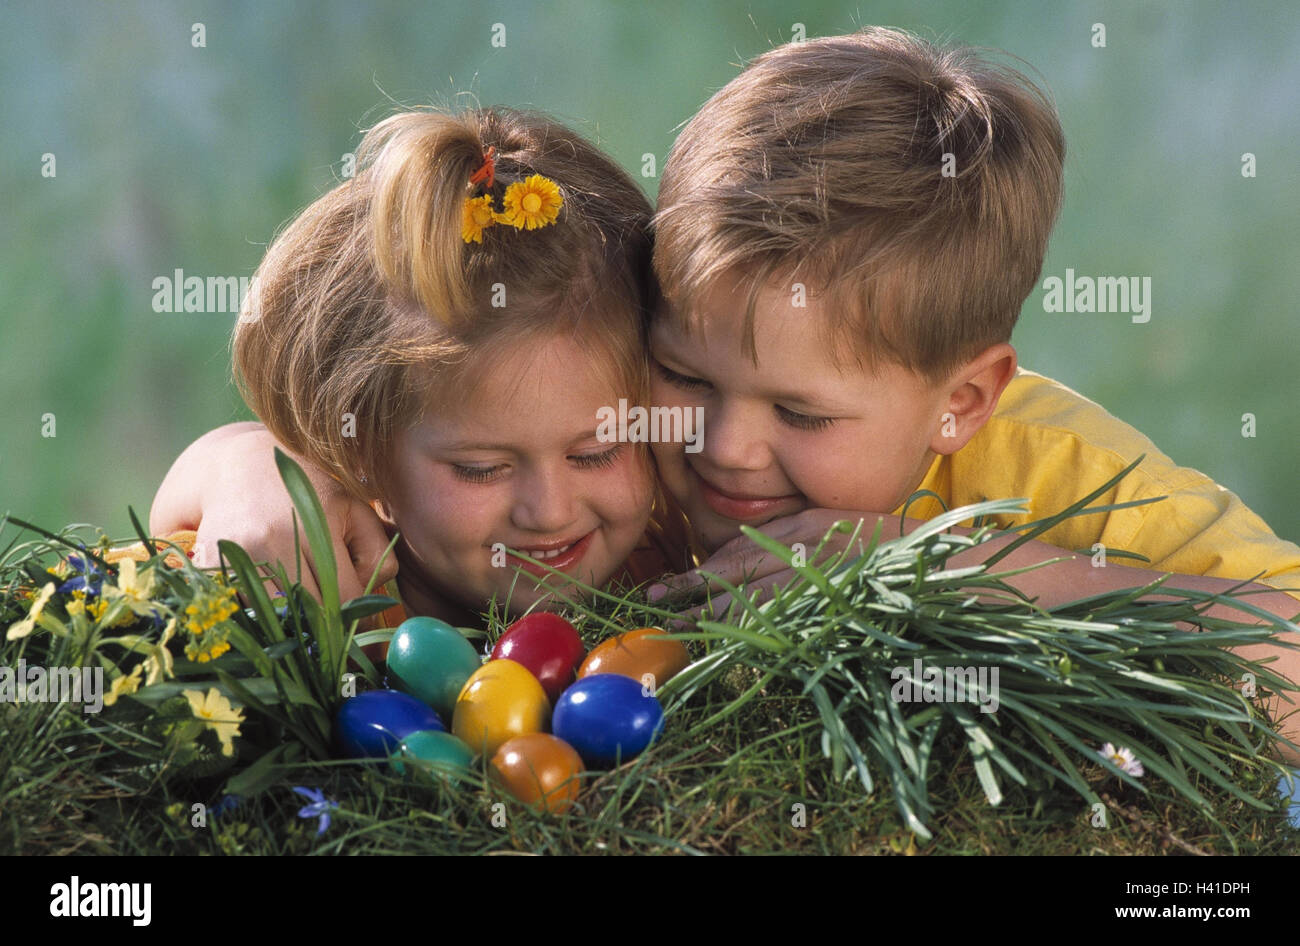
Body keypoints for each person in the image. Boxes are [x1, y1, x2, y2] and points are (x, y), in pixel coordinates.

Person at [150, 105, 691, 629]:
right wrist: (251, 468)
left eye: (596, 454)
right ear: (361, 444)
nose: (549, 511)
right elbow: (194, 492)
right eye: (481, 468)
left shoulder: (674, 559)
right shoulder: (347, 584)